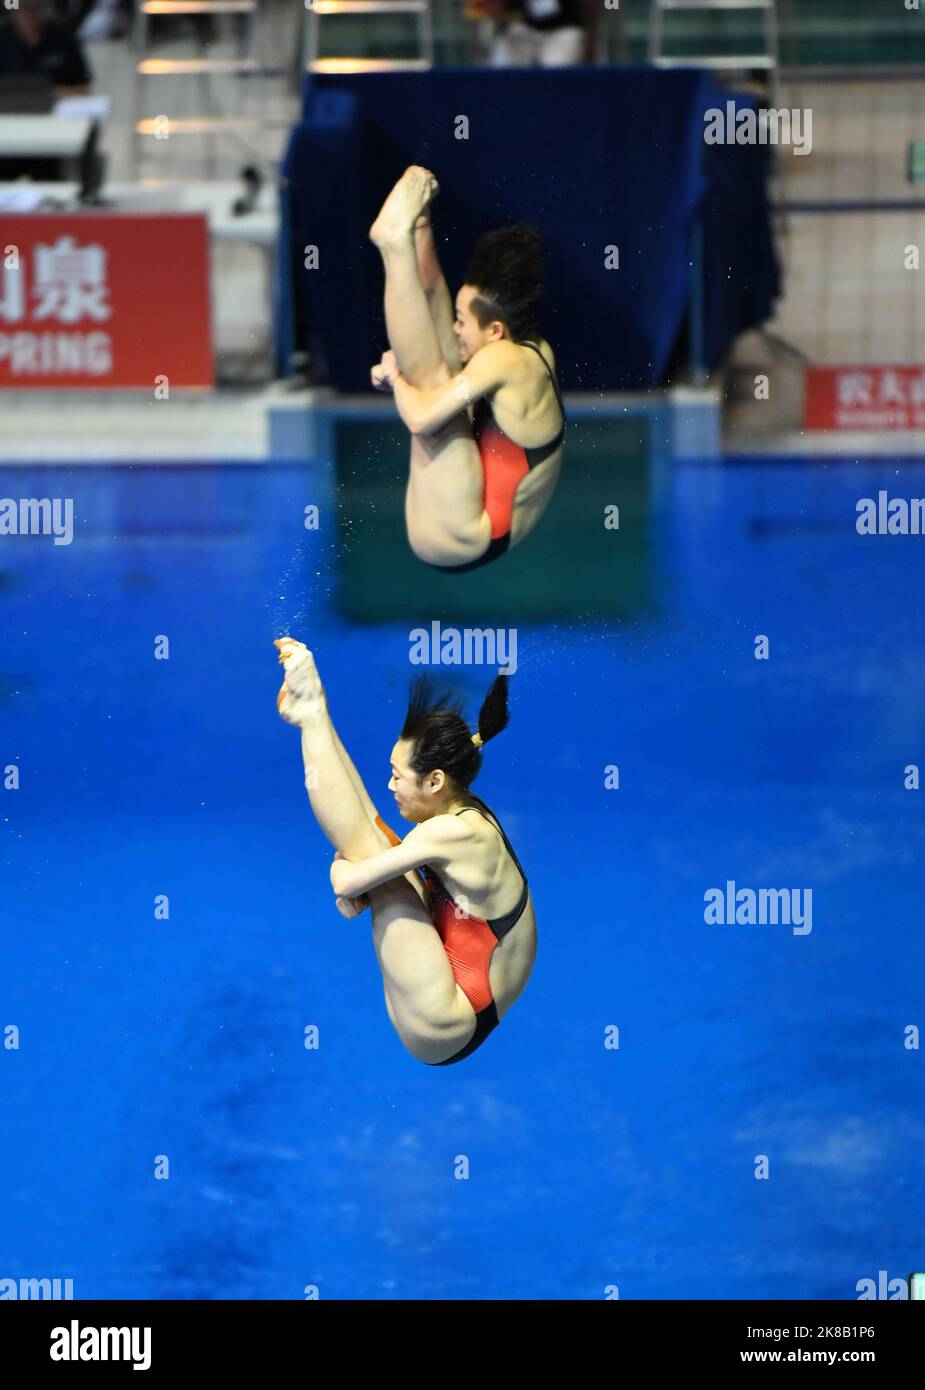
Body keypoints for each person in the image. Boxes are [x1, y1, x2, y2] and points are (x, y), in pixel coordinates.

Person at [274, 637, 537, 1066]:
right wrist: (360, 881)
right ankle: (313, 714)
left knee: (366, 853)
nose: (392, 786)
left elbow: (350, 880)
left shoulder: (451, 834)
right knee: (376, 848)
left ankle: (312, 716)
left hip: (448, 1021)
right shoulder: (464, 815)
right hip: (462, 997)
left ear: (435, 781)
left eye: (398, 776)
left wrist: (347, 876)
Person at [369, 165, 565, 573]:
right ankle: (415, 228)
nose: (455, 328)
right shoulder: (531, 349)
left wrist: (396, 377)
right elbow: (439, 314)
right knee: (443, 368)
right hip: (480, 528)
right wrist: (422, 220)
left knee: (432, 391)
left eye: (463, 320)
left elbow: (422, 419)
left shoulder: (502, 359)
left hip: (464, 538)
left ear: (495, 329)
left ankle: (394, 246)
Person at [0, 0, 91, 97]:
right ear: (15, 13)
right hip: (11, 107)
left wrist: (52, 93)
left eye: (34, 9)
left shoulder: (63, 38)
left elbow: (84, 86)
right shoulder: (3, 39)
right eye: (23, 10)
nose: (29, 16)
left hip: (57, 106)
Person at [487, 0, 596, 68]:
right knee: (512, 34)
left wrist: (591, 38)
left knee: (556, 68)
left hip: (562, 30)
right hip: (528, 29)